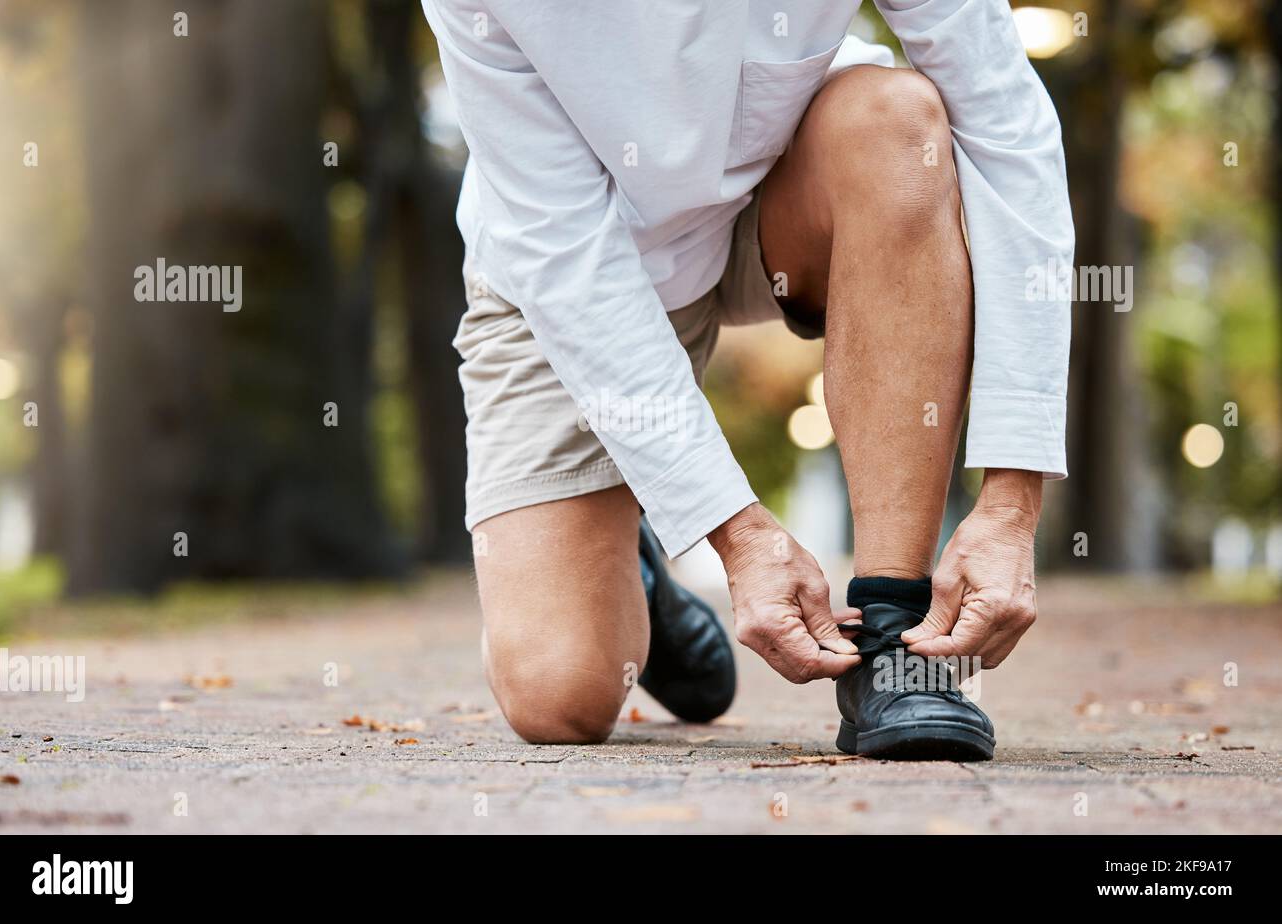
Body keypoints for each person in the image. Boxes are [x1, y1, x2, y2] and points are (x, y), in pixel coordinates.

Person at [425, 0, 1073, 759]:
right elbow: (562, 252)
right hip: (583, 260)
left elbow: (1006, 125)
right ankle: (633, 547)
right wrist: (731, 531)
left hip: (780, 191)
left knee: (898, 121)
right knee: (559, 694)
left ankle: (898, 640)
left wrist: (1012, 500)